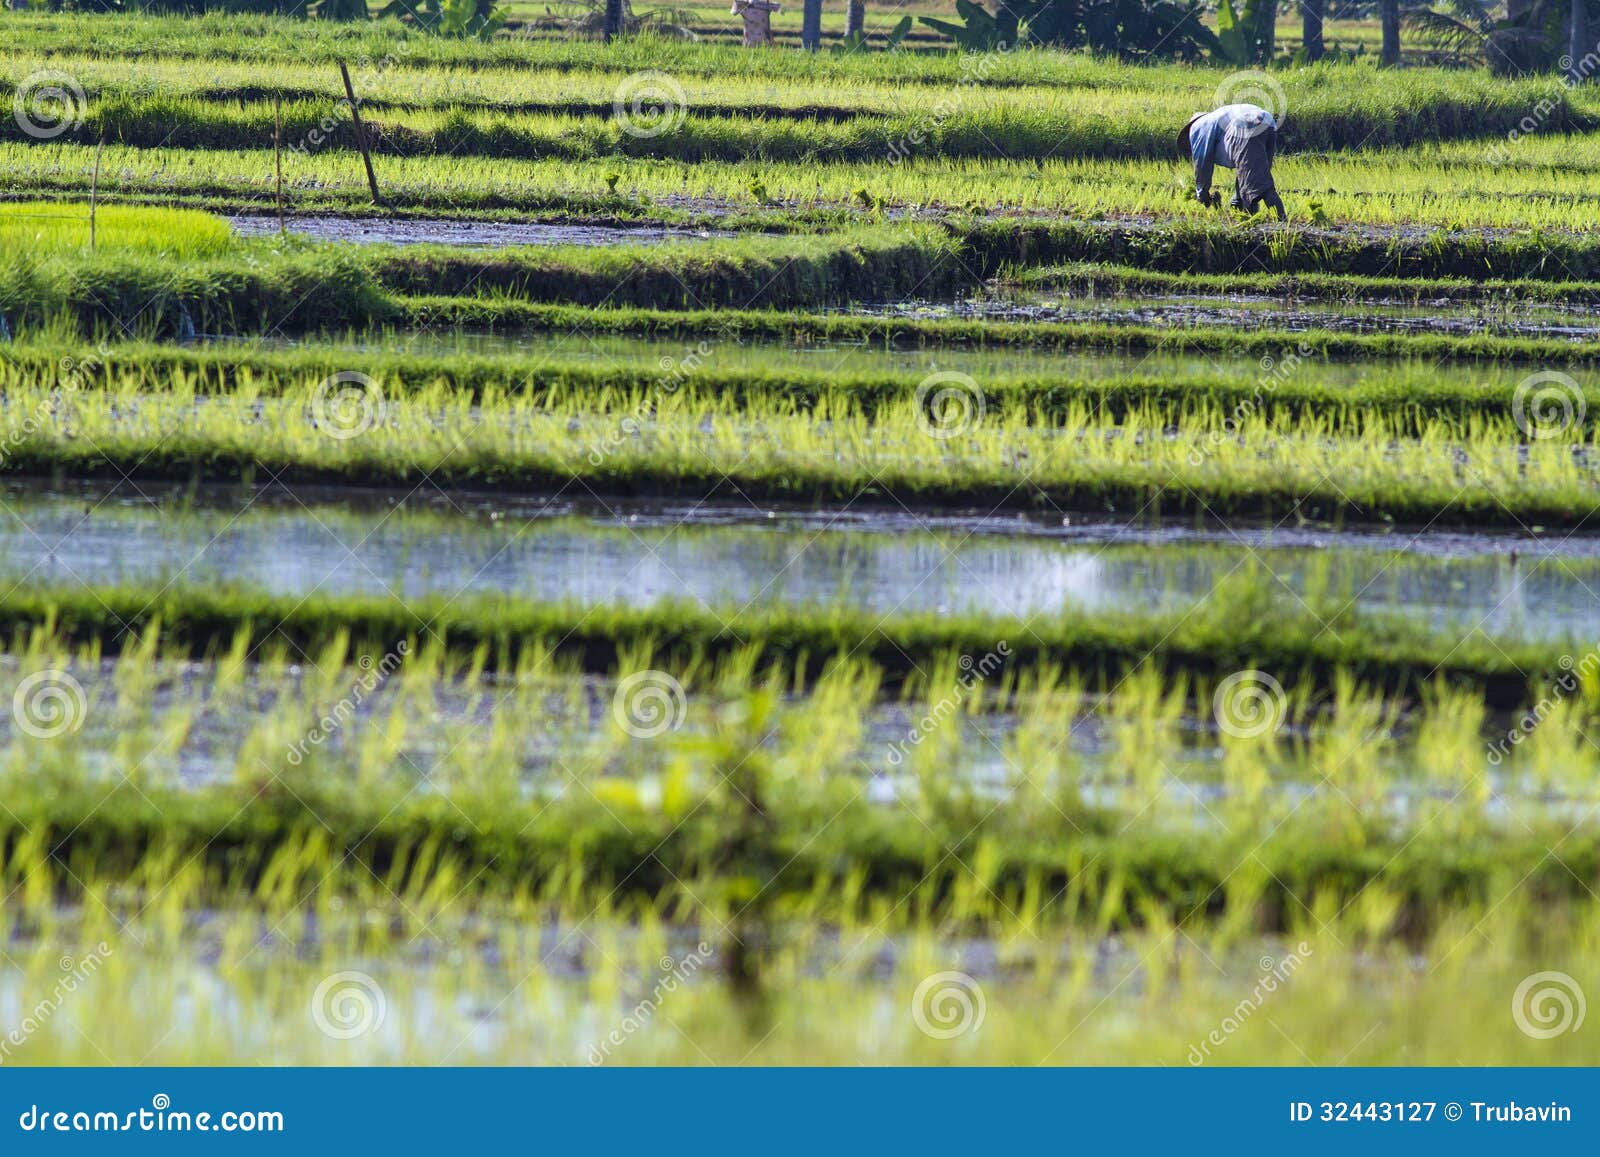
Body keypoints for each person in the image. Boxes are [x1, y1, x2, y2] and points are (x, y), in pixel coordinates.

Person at [1178, 104, 1286, 222]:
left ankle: (1282, 223)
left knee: (1262, 186)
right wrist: (1237, 197)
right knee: (1252, 180)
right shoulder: (1217, 119)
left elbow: (1202, 163)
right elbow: (1244, 168)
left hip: (1245, 126)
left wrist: (1202, 193)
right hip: (1268, 123)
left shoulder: (1198, 127)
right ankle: (1248, 221)